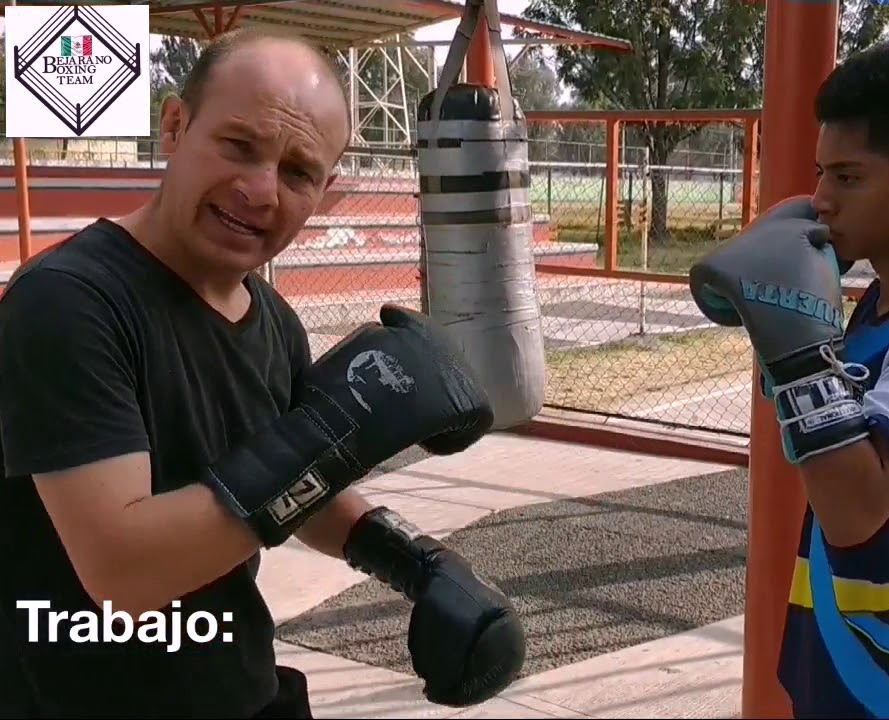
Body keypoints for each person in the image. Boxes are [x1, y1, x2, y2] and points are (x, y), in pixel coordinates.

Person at [0, 29, 527, 718]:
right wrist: (336, 429)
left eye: (298, 171)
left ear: (326, 188)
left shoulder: (271, 317)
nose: (259, 190)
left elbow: (292, 481)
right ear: (175, 126)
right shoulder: (69, 302)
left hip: (238, 685)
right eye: (239, 146)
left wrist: (417, 564)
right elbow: (123, 573)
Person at [690, 41, 889, 718]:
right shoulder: (880, 300)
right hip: (840, 653)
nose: (820, 199)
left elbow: (855, 512)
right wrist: (781, 327)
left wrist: (798, 355)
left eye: (847, 177)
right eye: (821, 174)